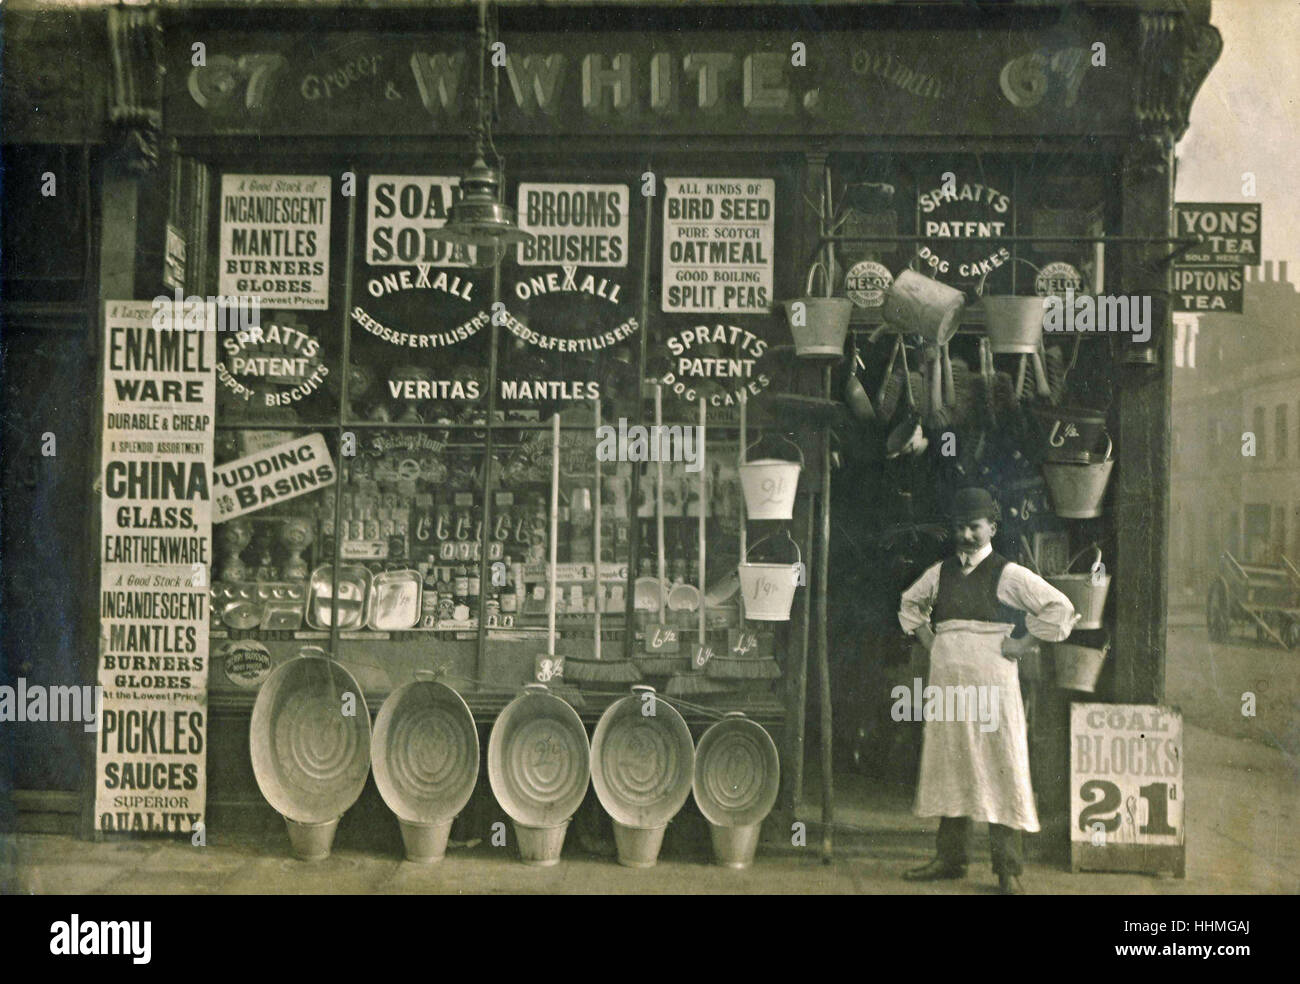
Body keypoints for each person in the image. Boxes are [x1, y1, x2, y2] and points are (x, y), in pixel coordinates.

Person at [897, 487, 1077, 894]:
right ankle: (950, 859)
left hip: (993, 689)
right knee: (951, 763)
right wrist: (932, 642)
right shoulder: (939, 573)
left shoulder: (1007, 573)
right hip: (949, 687)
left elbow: (1059, 609)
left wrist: (1022, 644)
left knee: (1001, 766)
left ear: (992, 527)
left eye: (974, 527)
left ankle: (1008, 869)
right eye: (959, 527)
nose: (965, 535)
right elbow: (910, 606)